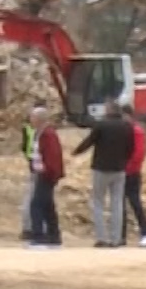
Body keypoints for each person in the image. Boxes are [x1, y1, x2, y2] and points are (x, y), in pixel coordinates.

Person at [73, 99, 135, 248]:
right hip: (119, 169)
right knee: (117, 203)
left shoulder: (101, 124)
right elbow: (130, 147)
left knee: (98, 202)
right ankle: (116, 238)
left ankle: (102, 237)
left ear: (108, 111)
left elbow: (90, 141)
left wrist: (76, 151)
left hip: (101, 168)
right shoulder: (127, 126)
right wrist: (124, 161)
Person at [27, 106, 64, 248]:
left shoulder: (48, 134)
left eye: (32, 117)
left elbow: (52, 155)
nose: (30, 120)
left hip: (46, 174)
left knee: (36, 204)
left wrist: (49, 171)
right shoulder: (40, 133)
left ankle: (38, 236)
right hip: (41, 172)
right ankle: (54, 235)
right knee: (48, 205)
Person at [122, 116, 146, 248]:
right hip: (121, 171)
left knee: (135, 203)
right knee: (119, 204)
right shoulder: (124, 130)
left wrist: (128, 168)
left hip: (131, 172)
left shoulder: (136, 131)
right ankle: (120, 235)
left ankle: (145, 233)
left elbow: (139, 154)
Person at [18, 116, 37, 241]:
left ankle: (28, 228)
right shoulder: (43, 130)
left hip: (32, 161)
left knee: (30, 196)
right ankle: (31, 228)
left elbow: (24, 146)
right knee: (34, 198)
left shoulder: (27, 129)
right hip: (37, 163)